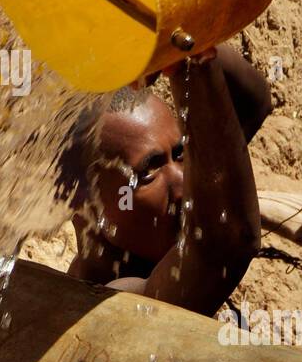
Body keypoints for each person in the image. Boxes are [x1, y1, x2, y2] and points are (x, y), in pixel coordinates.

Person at [63, 43, 271, 316]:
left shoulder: (140, 246)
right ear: (81, 202)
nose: (184, 183)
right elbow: (227, 241)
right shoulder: (112, 298)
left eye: (181, 154)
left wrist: (186, 48)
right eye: (148, 173)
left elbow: (253, 102)